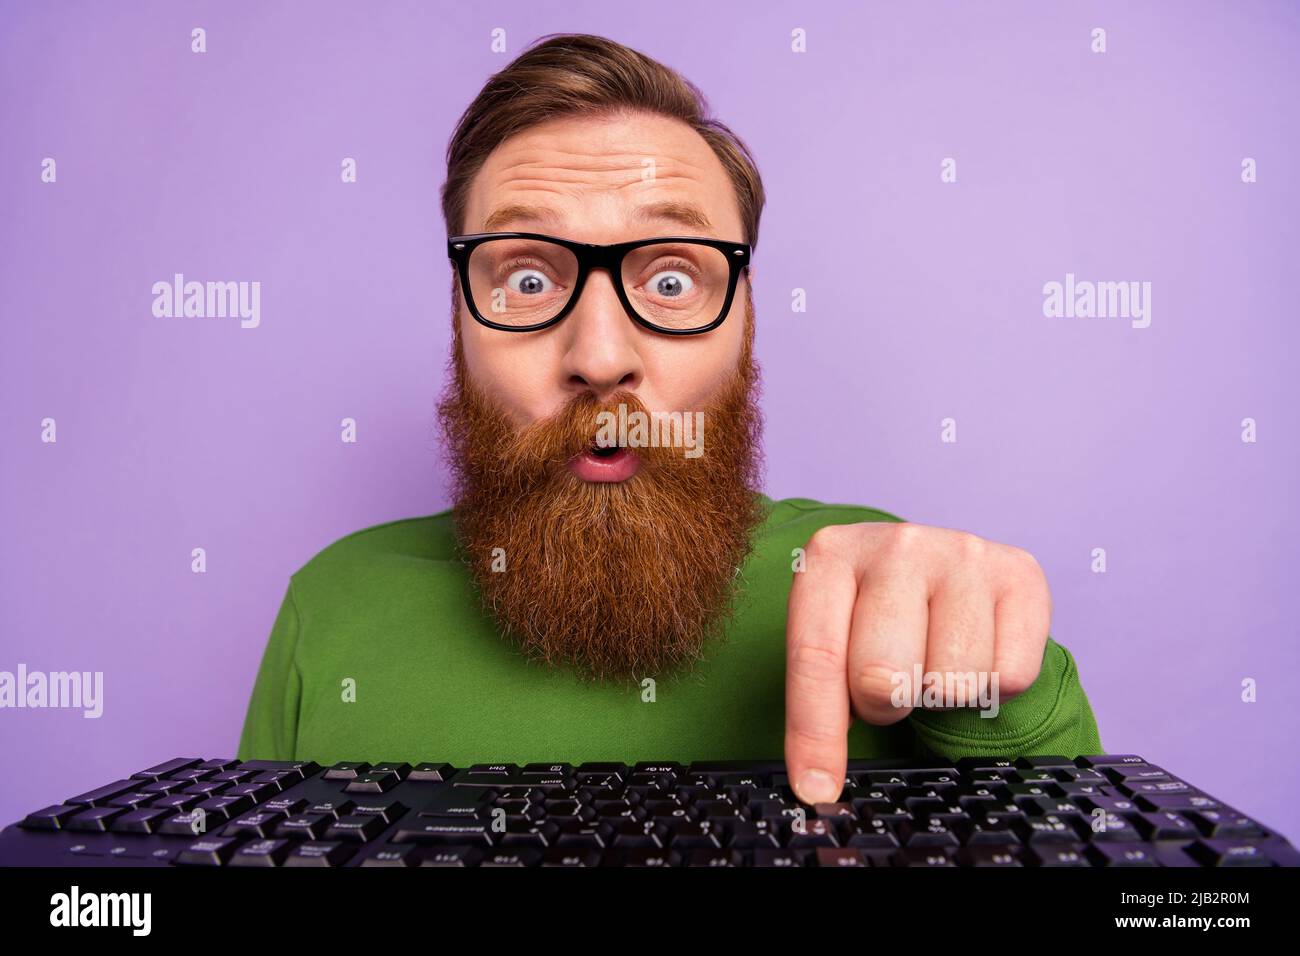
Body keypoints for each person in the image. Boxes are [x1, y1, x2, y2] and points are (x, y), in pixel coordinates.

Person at [238, 33, 1101, 807]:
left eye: (672, 279)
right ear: (461, 319)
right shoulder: (333, 603)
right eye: (529, 279)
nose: (601, 355)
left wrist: (987, 689)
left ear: (746, 319)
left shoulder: (881, 598)